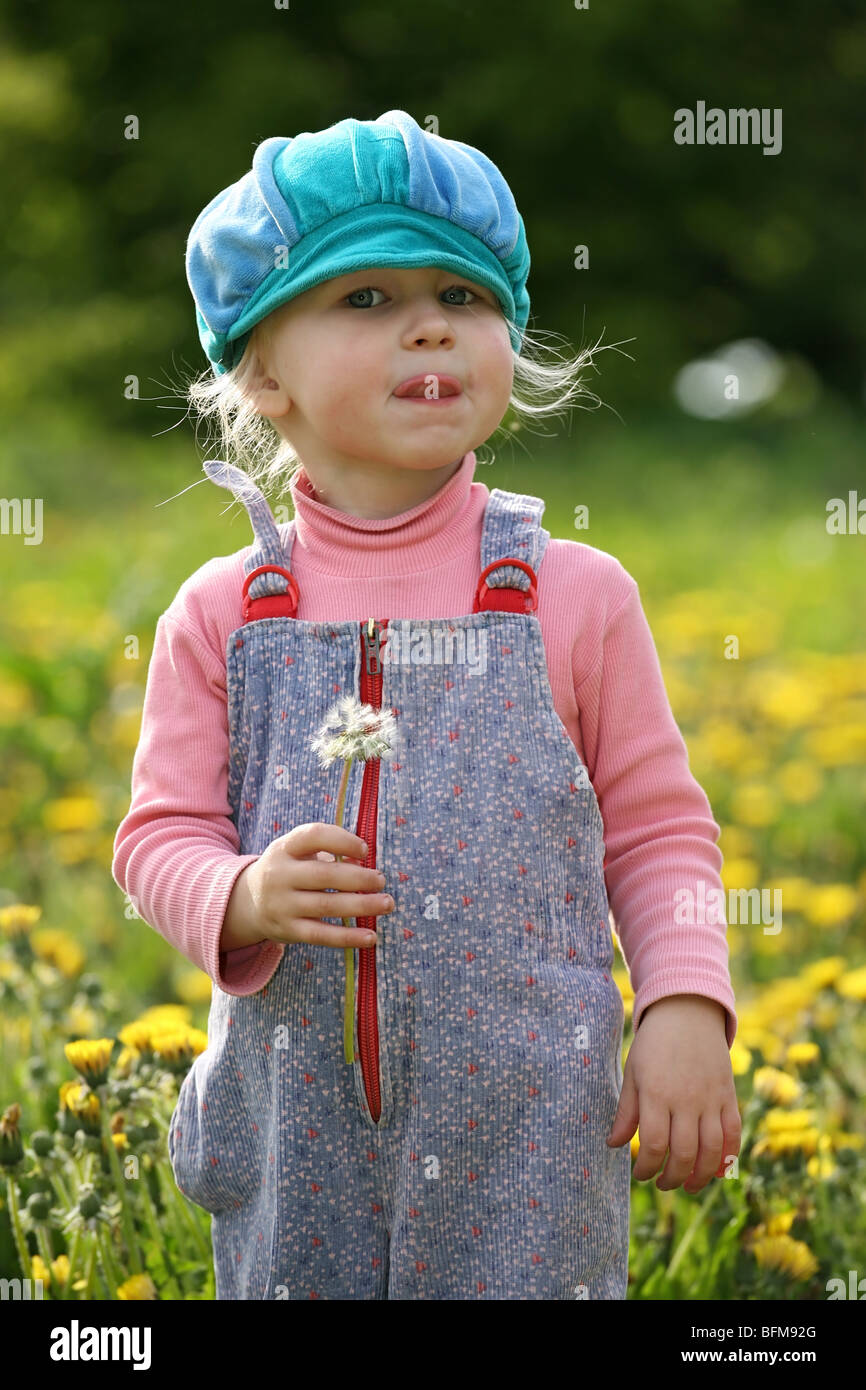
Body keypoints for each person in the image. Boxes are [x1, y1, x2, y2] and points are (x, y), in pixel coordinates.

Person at [111, 109, 740, 1301]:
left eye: (463, 290)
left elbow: (660, 831)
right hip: (292, 1125)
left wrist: (683, 1002)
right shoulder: (224, 611)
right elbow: (156, 840)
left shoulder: (572, 592)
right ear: (260, 369)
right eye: (363, 298)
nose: (427, 322)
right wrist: (237, 892)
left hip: (527, 1128)